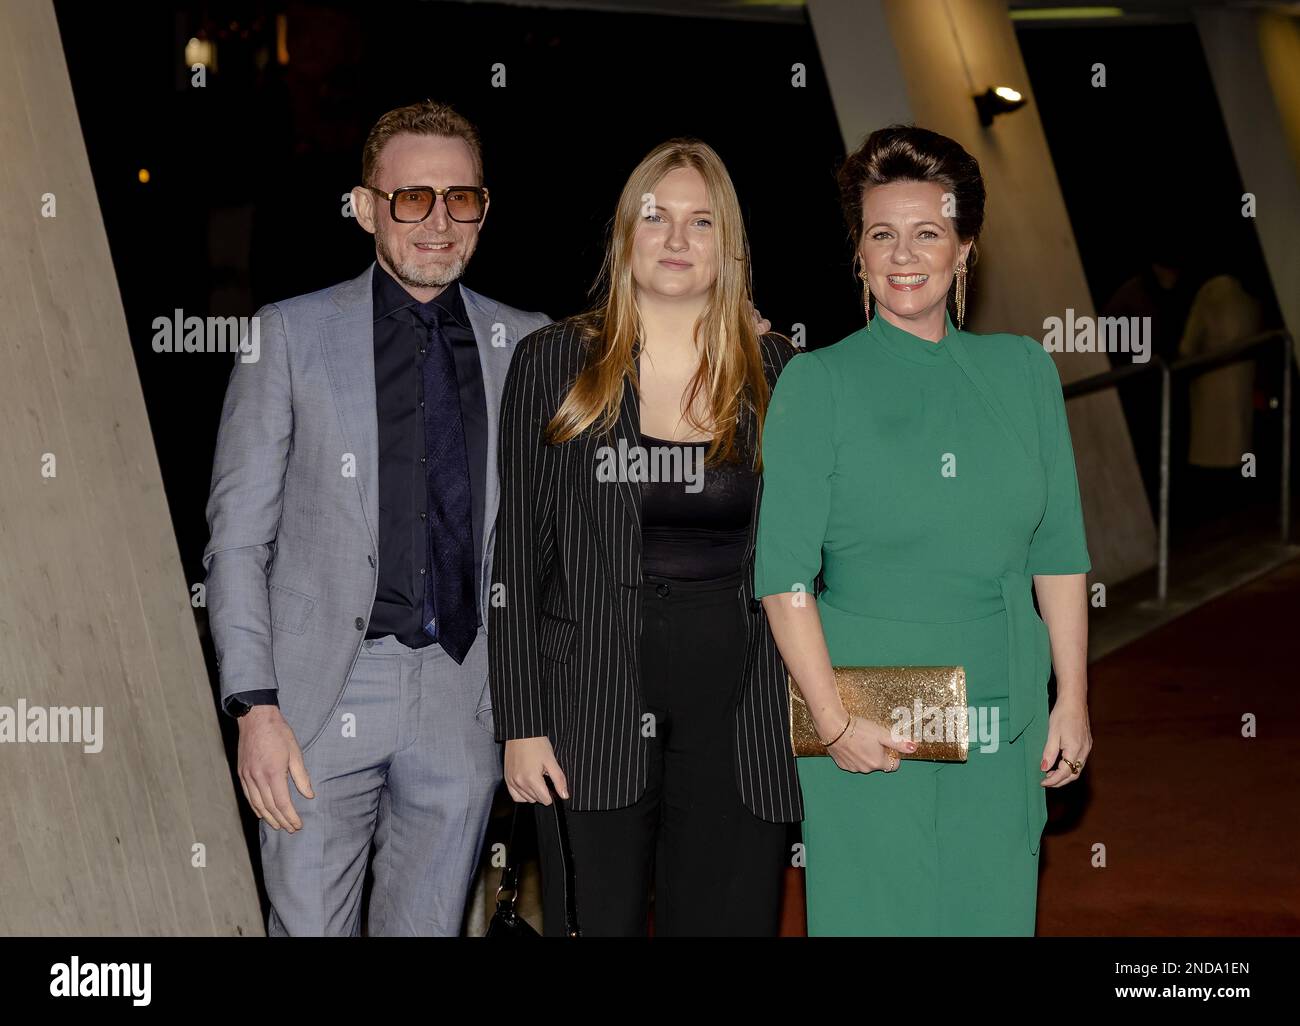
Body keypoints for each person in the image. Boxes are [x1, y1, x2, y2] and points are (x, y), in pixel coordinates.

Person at [203, 100, 549, 935]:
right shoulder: (288, 335)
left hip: (464, 699)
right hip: (319, 697)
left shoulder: (530, 345)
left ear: (484, 209)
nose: (438, 221)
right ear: (365, 208)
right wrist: (255, 707)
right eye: (411, 198)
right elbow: (238, 540)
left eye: (460, 198)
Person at [755, 124, 1093, 936]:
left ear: (964, 248)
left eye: (928, 232)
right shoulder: (819, 381)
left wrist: (1073, 698)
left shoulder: (1022, 373)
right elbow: (783, 575)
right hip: (871, 721)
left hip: (1004, 715)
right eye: (882, 235)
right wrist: (832, 720)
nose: (904, 255)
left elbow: (1059, 554)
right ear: (860, 255)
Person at [489, 138, 802, 936]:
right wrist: (520, 724)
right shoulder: (553, 362)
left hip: (741, 709)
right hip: (587, 708)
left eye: (701, 223)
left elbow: (821, 553)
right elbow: (517, 560)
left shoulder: (780, 372)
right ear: (625, 233)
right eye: (656, 217)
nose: (675, 240)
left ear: (728, 248)